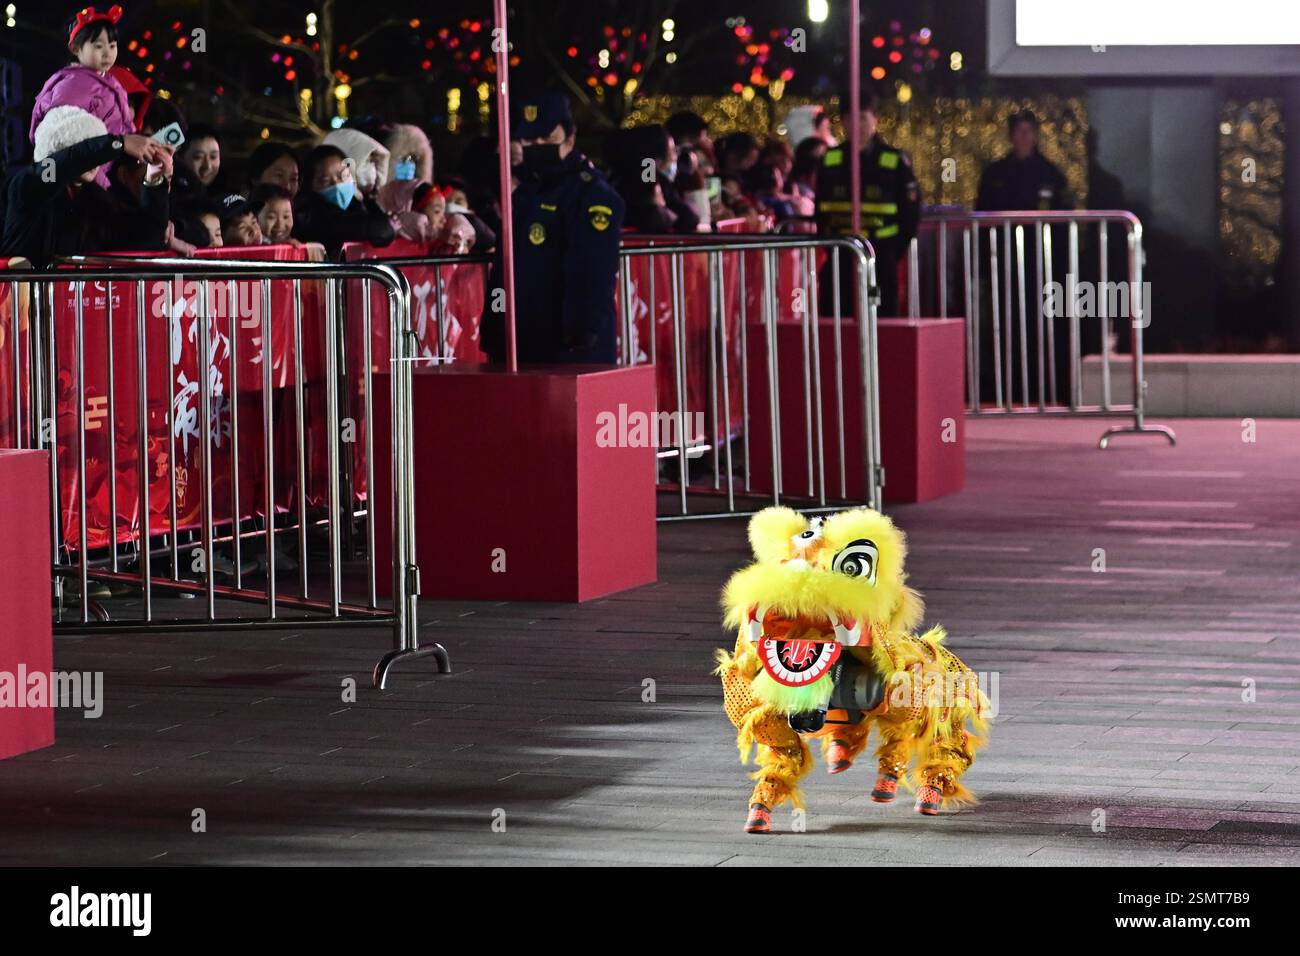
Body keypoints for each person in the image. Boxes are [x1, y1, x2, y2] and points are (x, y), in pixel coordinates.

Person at [481, 90, 624, 364]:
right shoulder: (523, 190)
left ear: (570, 137)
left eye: (546, 139)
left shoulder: (592, 194)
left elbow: (591, 271)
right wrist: (495, 332)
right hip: (518, 346)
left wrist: (580, 333)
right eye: (528, 140)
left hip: (566, 350)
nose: (536, 146)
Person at [1, 105, 172, 268]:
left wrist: (154, 180)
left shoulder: (98, 200)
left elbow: (145, 239)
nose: (95, 160)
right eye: (86, 148)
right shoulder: (30, 182)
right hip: (21, 297)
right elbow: (60, 165)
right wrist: (118, 143)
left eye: (96, 152)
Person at [815, 91, 920, 316]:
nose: (856, 125)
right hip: (840, 254)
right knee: (836, 322)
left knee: (881, 323)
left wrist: (890, 249)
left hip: (880, 256)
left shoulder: (894, 161)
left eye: (862, 118)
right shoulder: (830, 160)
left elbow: (910, 215)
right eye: (849, 118)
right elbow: (820, 210)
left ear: (876, 119)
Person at [30, 6, 136, 189]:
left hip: (99, 171)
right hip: (81, 178)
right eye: (98, 46)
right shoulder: (73, 84)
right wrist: (100, 183)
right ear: (75, 48)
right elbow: (62, 138)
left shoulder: (107, 81)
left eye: (112, 45)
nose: (107, 53)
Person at [292, 143, 394, 255]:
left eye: (342, 176)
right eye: (325, 180)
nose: (336, 184)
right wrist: (388, 224)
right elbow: (377, 229)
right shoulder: (310, 216)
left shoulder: (357, 205)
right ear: (309, 185)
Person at [976, 110, 1070, 212]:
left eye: (1029, 130)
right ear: (1011, 135)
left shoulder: (1050, 174)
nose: (1024, 135)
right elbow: (982, 210)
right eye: (1019, 130)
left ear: (1036, 135)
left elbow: (1063, 211)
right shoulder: (994, 173)